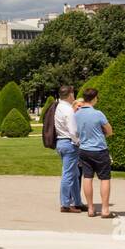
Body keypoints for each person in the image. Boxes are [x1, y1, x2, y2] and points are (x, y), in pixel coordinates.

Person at [74, 88, 115, 218]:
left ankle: (91, 208)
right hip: (99, 149)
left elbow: (76, 131)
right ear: (94, 98)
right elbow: (109, 131)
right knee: (105, 179)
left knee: (87, 177)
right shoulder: (98, 114)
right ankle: (105, 209)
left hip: (84, 149)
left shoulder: (77, 114)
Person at [53, 85, 86, 213]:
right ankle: (65, 204)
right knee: (68, 174)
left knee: (74, 173)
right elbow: (73, 131)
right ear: (70, 94)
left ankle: (77, 202)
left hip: (62, 141)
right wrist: (79, 143)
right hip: (69, 143)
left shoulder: (59, 107)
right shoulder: (68, 110)